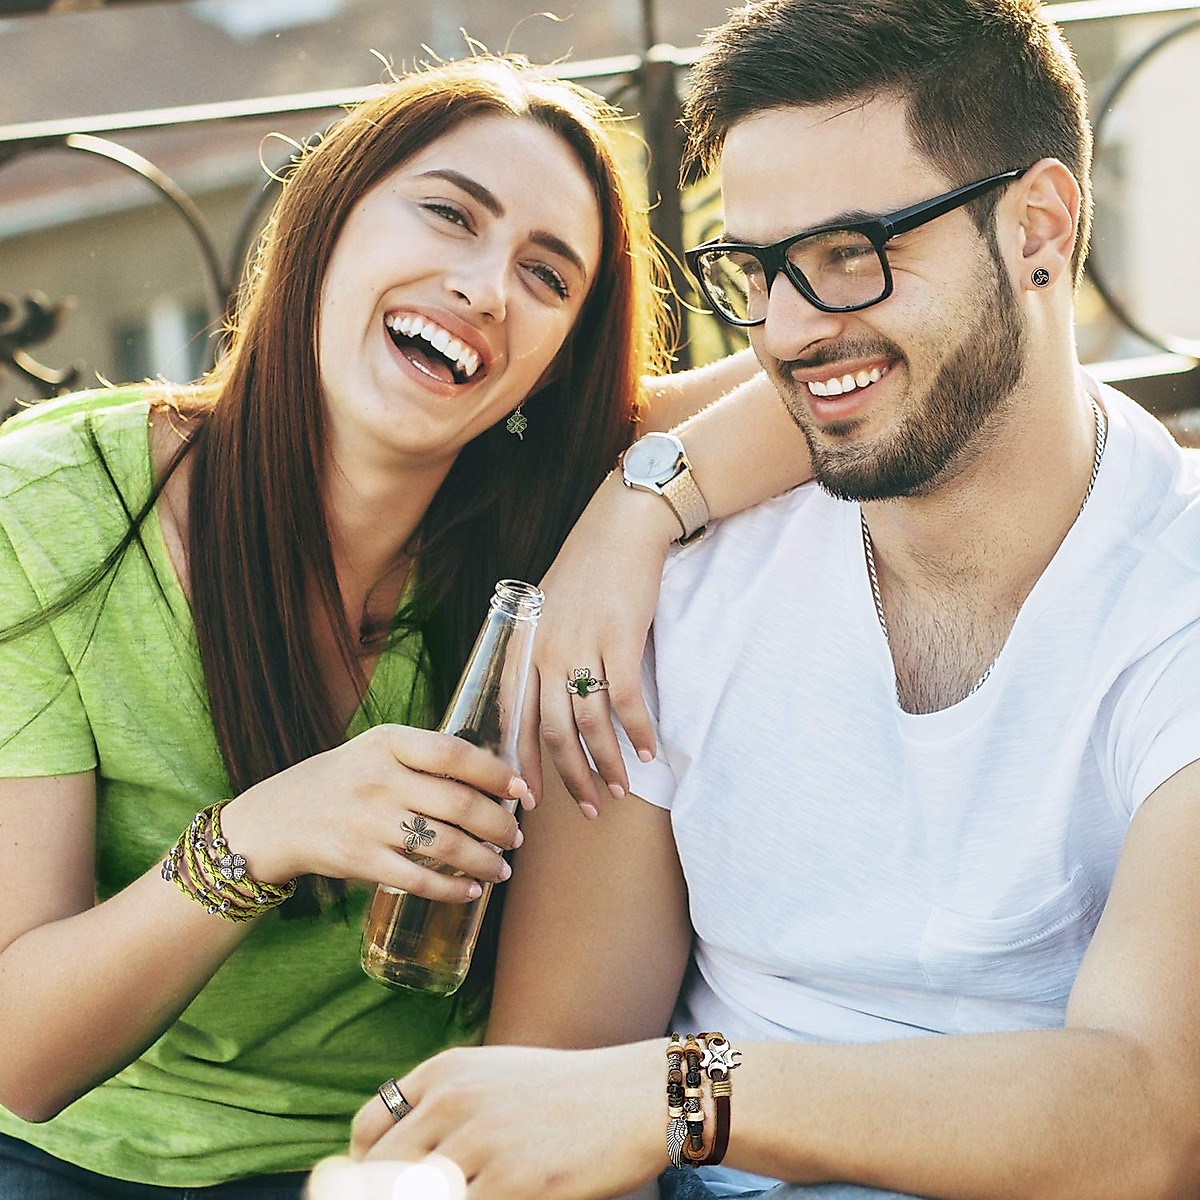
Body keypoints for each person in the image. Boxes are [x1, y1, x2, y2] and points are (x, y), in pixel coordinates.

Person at [350, 4, 1200, 1199]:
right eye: (755, 271)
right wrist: (633, 509)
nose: (794, 331)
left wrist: (682, 1094)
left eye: (854, 251)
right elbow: (560, 1066)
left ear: (1040, 229)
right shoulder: (672, 592)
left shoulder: (1177, 597)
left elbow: (1149, 1116)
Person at [0, 53, 786, 1197]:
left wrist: (632, 514)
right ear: (327, 221)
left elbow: (858, 376)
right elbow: (23, 1054)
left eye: (547, 276)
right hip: (89, 1164)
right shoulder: (55, 507)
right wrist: (265, 834)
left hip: (421, 1157)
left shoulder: (549, 494)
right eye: (447, 215)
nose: (484, 287)